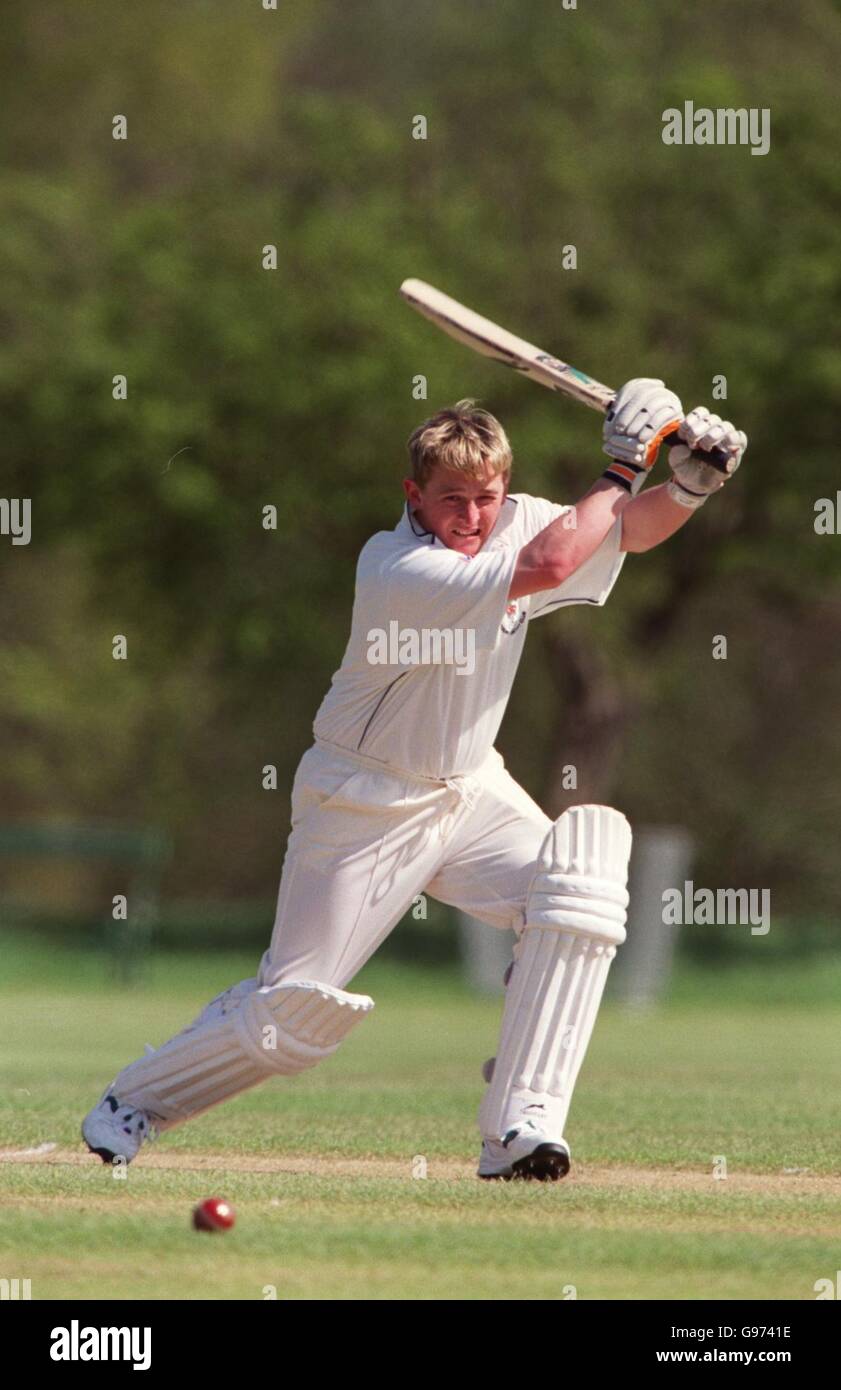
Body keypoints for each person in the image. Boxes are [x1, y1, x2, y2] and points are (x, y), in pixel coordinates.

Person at [82, 379, 746, 1180]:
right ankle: (132, 1102)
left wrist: (685, 484)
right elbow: (551, 558)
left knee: (582, 881)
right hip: (363, 799)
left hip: (468, 788)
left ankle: (519, 1129)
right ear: (414, 497)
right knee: (294, 1017)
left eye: (487, 498)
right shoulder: (398, 565)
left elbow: (627, 533)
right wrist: (618, 464)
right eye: (452, 499)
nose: (472, 518)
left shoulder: (518, 518)